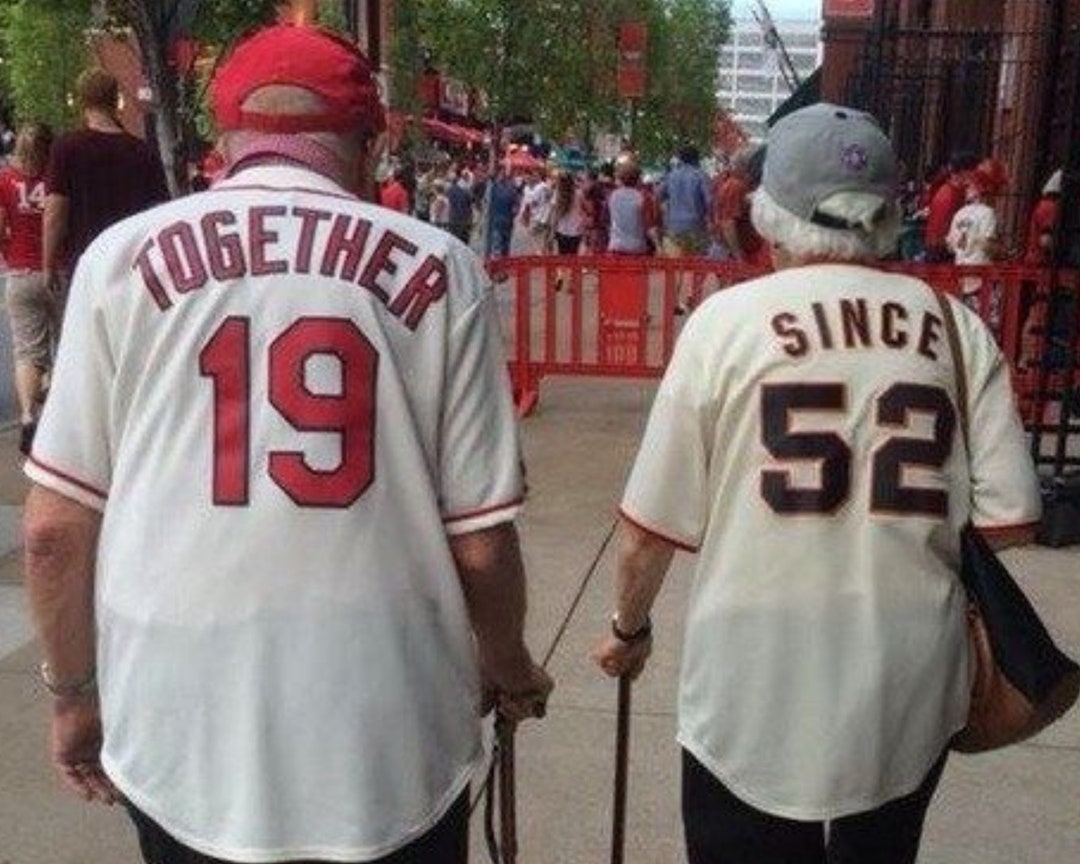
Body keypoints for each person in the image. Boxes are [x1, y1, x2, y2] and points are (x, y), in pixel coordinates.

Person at [23, 22, 552, 864]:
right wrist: (511, 666)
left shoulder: (119, 261)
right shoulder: (442, 268)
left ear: (228, 137)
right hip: (388, 740)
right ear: (369, 142)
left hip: (180, 731)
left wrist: (72, 694)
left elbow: (53, 529)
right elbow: (482, 546)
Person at [593, 103, 1040, 864]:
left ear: (769, 218)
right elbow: (1010, 518)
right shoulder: (952, 324)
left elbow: (645, 532)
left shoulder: (724, 322)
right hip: (906, 675)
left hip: (750, 677)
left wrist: (628, 628)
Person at [42, 68, 169, 293]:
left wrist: (48, 265)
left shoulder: (67, 148)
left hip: (85, 263)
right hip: (133, 263)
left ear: (82, 101)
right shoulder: (142, 151)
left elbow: (55, 213)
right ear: (115, 99)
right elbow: (160, 212)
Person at [0, 122, 54, 454]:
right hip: (58, 269)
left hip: (20, 273)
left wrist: (7, 251)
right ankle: (58, 412)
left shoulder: (5, 181)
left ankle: (27, 417)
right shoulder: (57, 178)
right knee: (64, 340)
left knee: (26, 350)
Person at [713, 145, 768, 267]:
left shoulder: (736, 185)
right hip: (736, 255)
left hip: (739, 252)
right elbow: (728, 224)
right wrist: (739, 257)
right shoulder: (736, 187)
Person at [922, 150, 979, 262]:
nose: (977, 177)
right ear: (964, 172)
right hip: (942, 254)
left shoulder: (951, 190)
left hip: (940, 250)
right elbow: (943, 235)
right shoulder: (950, 196)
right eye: (974, 172)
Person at [658, 144, 711, 259]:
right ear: (696, 159)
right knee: (697, 265)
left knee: (677, 266)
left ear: (681, 159)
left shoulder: (671, 176)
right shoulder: (701, 176)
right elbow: (709, 201)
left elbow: (658, 195)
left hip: (674, 227)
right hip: (696, 227)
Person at [606, 153, 658, 256]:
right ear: (638, 179)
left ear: (620, 178)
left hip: (615, 247)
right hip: (636, 249)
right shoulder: (642, 197)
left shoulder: (613, 196)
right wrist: (658, 246)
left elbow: (609, 219)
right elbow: (649, 226)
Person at [485, 165, 521, 258]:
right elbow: (516, 207)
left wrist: (515, 210)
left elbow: (516, 205)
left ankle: (499, 267)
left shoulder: (500, 188)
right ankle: (500, 266)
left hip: (501, 222)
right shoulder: (494, 187)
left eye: (502, 173)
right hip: (501, 222)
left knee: (501, 246)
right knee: (500, 246)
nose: (501, 176)